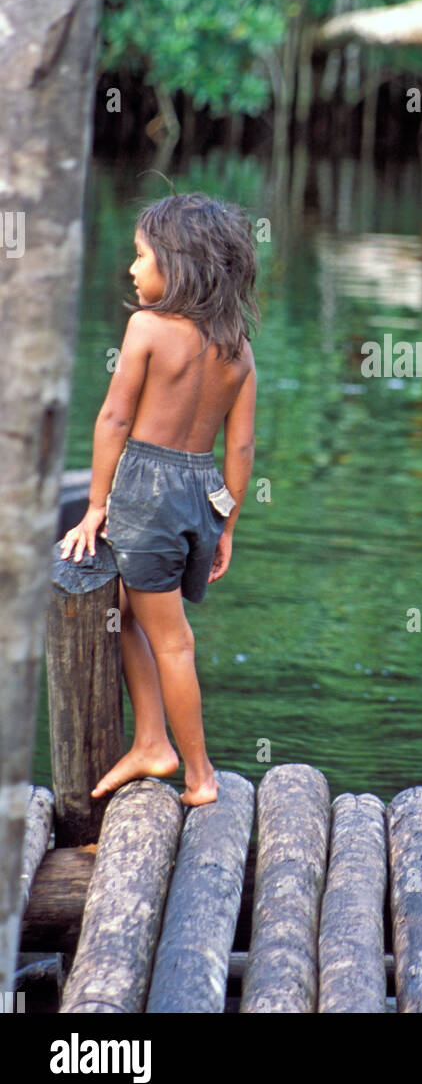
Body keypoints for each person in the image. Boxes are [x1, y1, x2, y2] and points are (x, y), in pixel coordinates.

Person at [59, 192, 259, 807]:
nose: (131, 270)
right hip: (202, 493)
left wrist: (96, 506)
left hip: (147, 493)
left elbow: (114, 420)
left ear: (179, 265)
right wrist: (227, 524)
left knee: (172, 639)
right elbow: (242, 447)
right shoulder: (238, 350)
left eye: (140, 257)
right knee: (124, 607)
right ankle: (151, 741)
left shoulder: (146, 328)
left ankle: (198, 774)